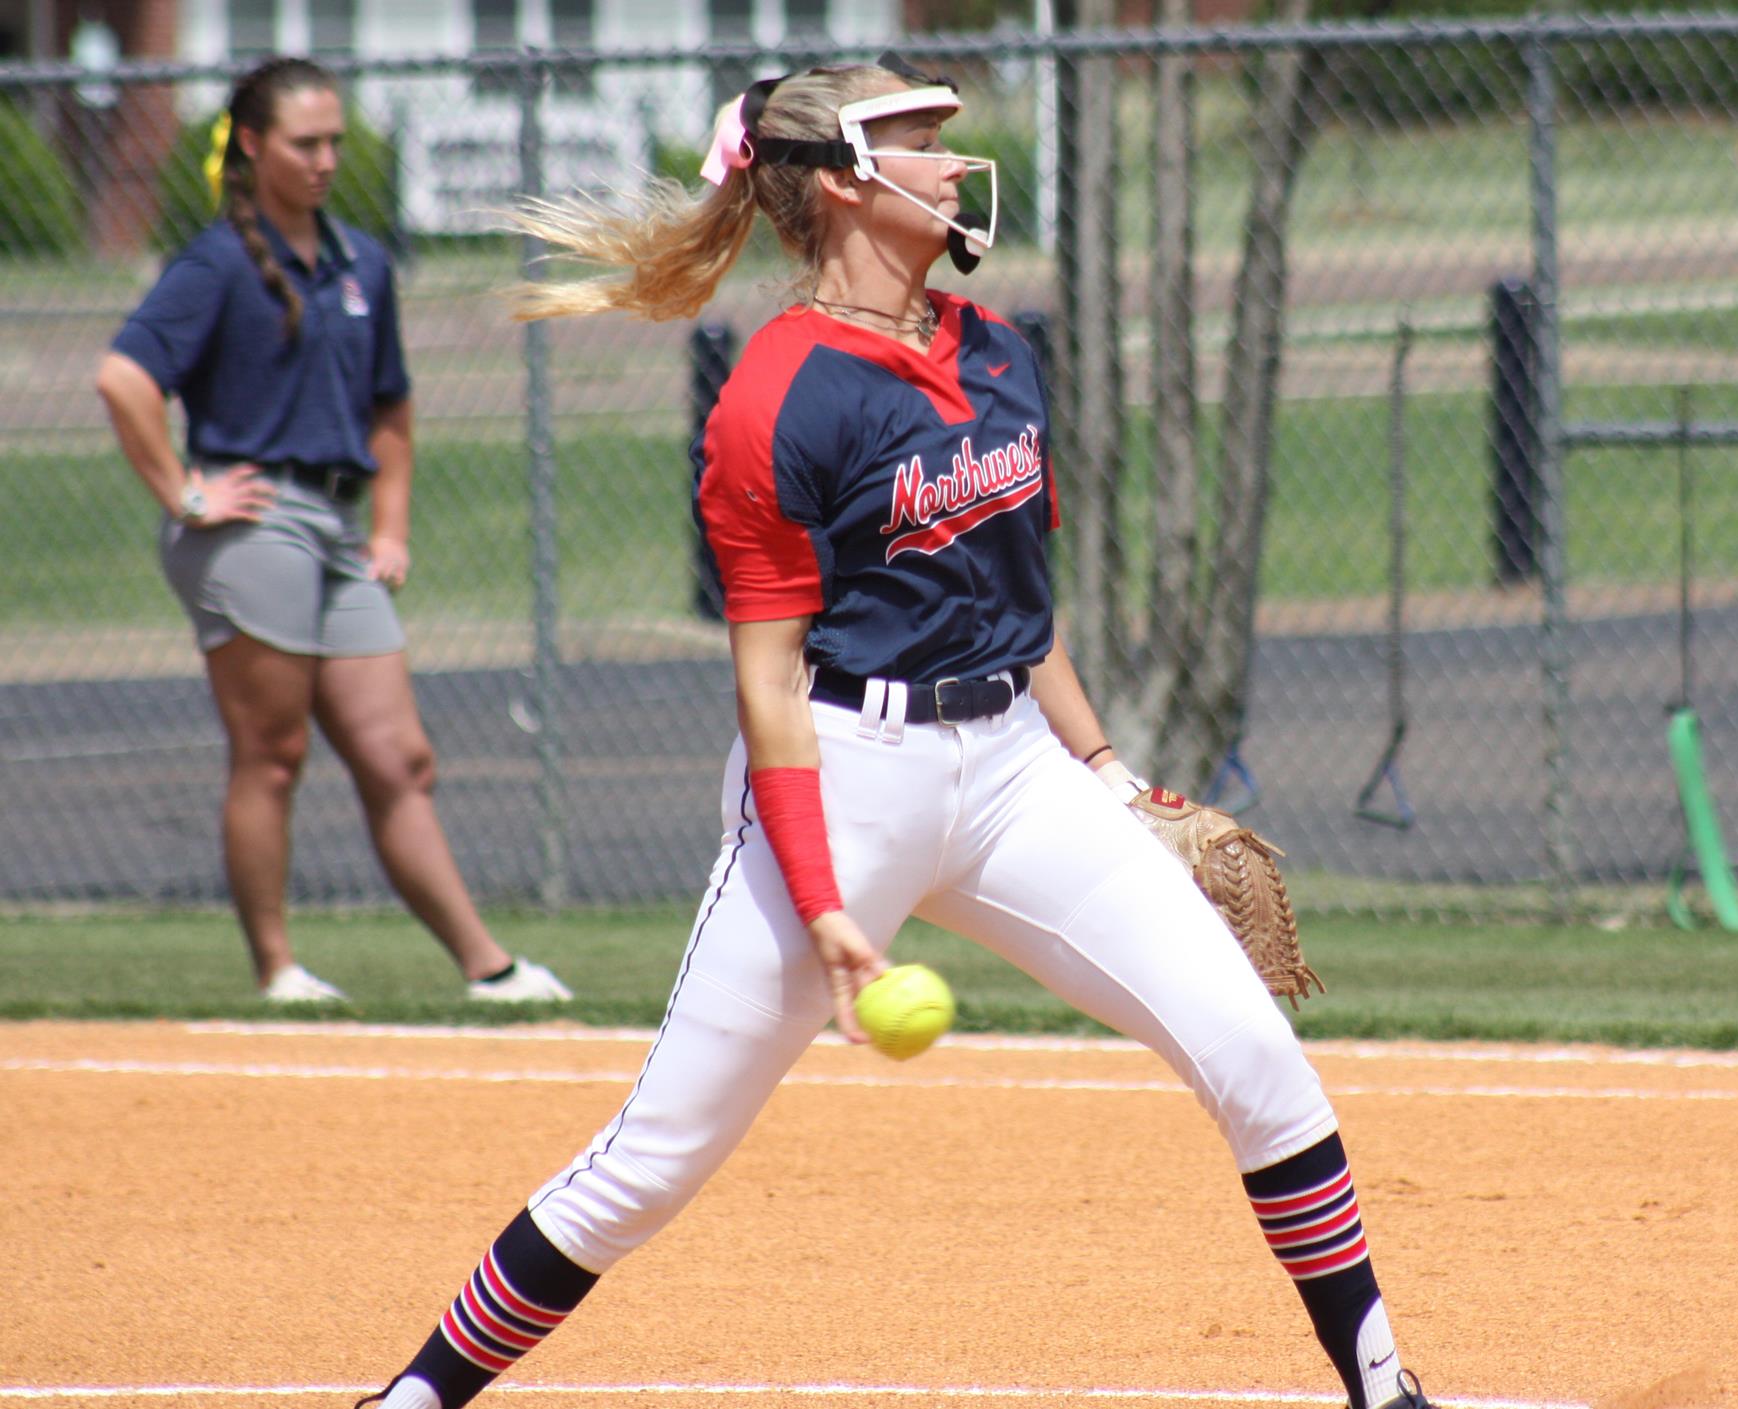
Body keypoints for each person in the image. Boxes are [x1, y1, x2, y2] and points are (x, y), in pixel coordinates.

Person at [356, 55, 1433, 1409]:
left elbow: (1023, 614)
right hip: (844, 777)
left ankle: (1385, 1390)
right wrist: (821, 906)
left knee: (1257, 1058)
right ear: (846, 181)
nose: (953, 162)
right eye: (921, 140)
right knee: (654, 1161)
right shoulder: (776, 396)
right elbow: (765, 687)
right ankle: (410, 1400)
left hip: (1014, 773)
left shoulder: (1000, 350)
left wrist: (1108, 776)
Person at [94, 56, 571, 1009]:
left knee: (400, 758)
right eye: (304, 143)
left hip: (337, 526)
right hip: (252, 525)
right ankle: (278, 969)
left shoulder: (363, 262)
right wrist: (184, 494)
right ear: (253, 145)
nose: (324, 160)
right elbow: (123, 378)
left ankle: (489, 968)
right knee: (273, 755)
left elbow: (390, 407)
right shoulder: (217, 263)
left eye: (334, 143)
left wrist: (391, 528)